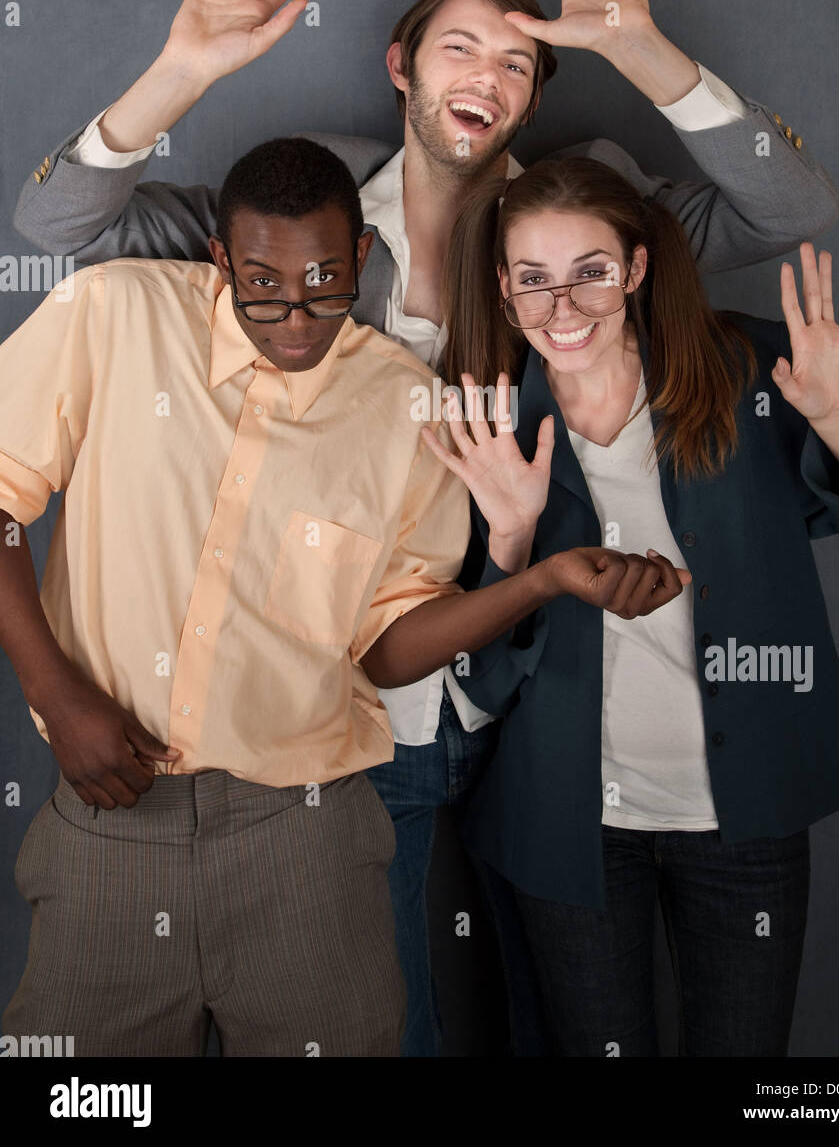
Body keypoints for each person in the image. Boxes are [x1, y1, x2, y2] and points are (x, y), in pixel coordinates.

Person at [12, 0, 839, 1056]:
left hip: (538, 685)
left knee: (544, 1016)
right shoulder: (313, 205)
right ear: (403, 67)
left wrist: (647, 53)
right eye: (459, 49)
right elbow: (57, 226)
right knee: (381, 1017)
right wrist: (183, 73)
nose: (485, 79)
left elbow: (787, 211)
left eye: (515, 63)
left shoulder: (571, 211)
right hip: (355, 701)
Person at [0, 137, 690, 1057]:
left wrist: (543, 578)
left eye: (326, 282)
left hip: (309, 836)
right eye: (263, 286)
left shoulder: (406, 405)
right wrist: (54, 692)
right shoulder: (113, 313)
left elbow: (389, 643)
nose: (295, 316)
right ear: (219, 259)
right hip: (110, 820)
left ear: (362, 258)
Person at [426, 156, 839, 1057]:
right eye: (533, 283)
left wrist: (837, 420)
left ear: (639, 267)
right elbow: (475, 686)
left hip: (745, 820)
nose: (563, 310)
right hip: (566, 826)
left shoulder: (740, 370)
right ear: (502, 291)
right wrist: (509, 539)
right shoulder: (484, 422)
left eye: (592, 273)